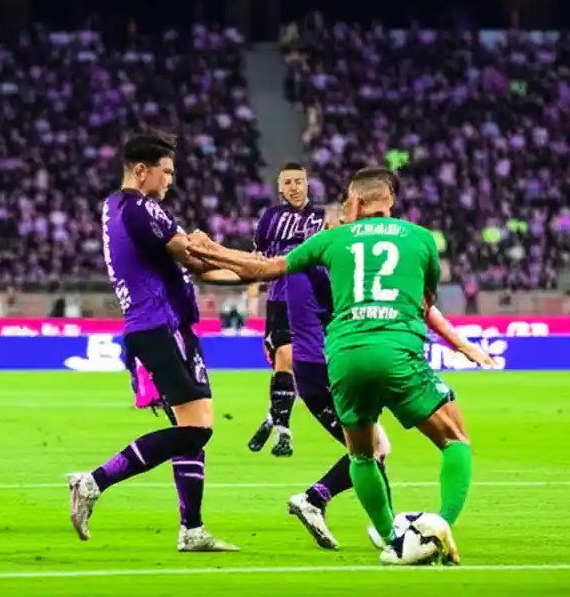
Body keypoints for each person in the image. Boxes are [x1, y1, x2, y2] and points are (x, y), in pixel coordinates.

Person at [187, 167, 496, 565]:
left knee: (363, 454)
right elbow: (425, 304)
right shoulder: (421, 240)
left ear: (353, 201)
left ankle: (393, 540)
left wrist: (209, 249)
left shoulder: (330, 241)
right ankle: (440, 526)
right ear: (391, 202)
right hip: (397, 350)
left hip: (344, 357)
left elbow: (261, 269)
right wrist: (462, 344)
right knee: (455, 440)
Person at [67, 133, 243, 552]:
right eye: (166, 172)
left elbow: (197, 263)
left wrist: (262, 270)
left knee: (189, 428)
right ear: (141, 170)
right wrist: (262, 262)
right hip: (157, 324)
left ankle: (192, 529)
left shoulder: (117, 207)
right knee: (197, 429)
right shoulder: (141, 208)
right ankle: (94, 480)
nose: (170, 181)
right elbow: (195, 256)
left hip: (168, 325)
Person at [284, 202, 491, 551]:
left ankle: (383, 530)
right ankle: (319, 500)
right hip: (326, 364)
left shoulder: (332, 259)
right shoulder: (322, 262)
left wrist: (461, 344)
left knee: (373, 449)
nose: (349, 227)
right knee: (375, 448)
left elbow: (417, 305)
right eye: (339, 222)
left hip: (333, 362)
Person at [247, 162, 323, 457]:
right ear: (280, 187)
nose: (294, 186)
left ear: (307, 184)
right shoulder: (270, 218)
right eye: (288, 182)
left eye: (299, 181)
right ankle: (284, 433)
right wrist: (254, 293)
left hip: (317, 298)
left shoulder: (323, 217)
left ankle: (272, 417)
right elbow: (258, 259)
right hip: (281, 297)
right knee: (284, 357)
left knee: (304, 368)